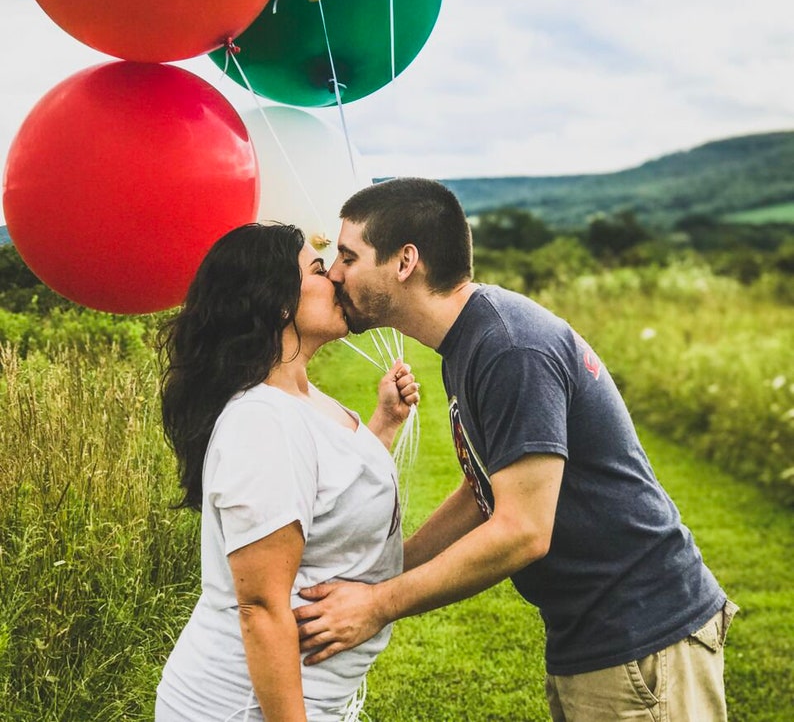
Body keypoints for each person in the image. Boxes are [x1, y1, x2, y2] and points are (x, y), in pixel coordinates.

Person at [294, 178, 738, 722]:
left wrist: (378, 605)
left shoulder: (509, 347)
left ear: (405, 261)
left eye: (347, 255)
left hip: (641, 633)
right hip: (596, 635)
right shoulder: (468, 342)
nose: (334, 273)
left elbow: (523, 530)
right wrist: (386, 570)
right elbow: (483, 493)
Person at [154, 221, 418, 722]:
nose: (337, 277)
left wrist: (383, 424)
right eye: (319, 268)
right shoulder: (262, 420)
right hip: (240, 708)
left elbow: (331, 500)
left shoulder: (300, 400)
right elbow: (259, 607)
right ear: (277, 302)